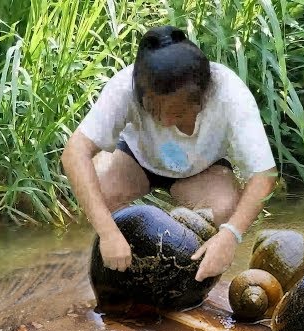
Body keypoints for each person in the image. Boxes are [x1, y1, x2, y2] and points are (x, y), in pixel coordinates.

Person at [61, 25, 279, 282]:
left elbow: (265, 175)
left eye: (177, 113)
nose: (164, 121)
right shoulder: (124, 86)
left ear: (202, 97)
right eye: (152, 109)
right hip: (137, 159)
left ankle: (188, 280)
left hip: (202, 168)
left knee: (224, 213)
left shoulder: (229, 94)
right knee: (100, 191)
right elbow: (74, 152)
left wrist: (231, 235)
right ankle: (128, 267)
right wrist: (108, 232)